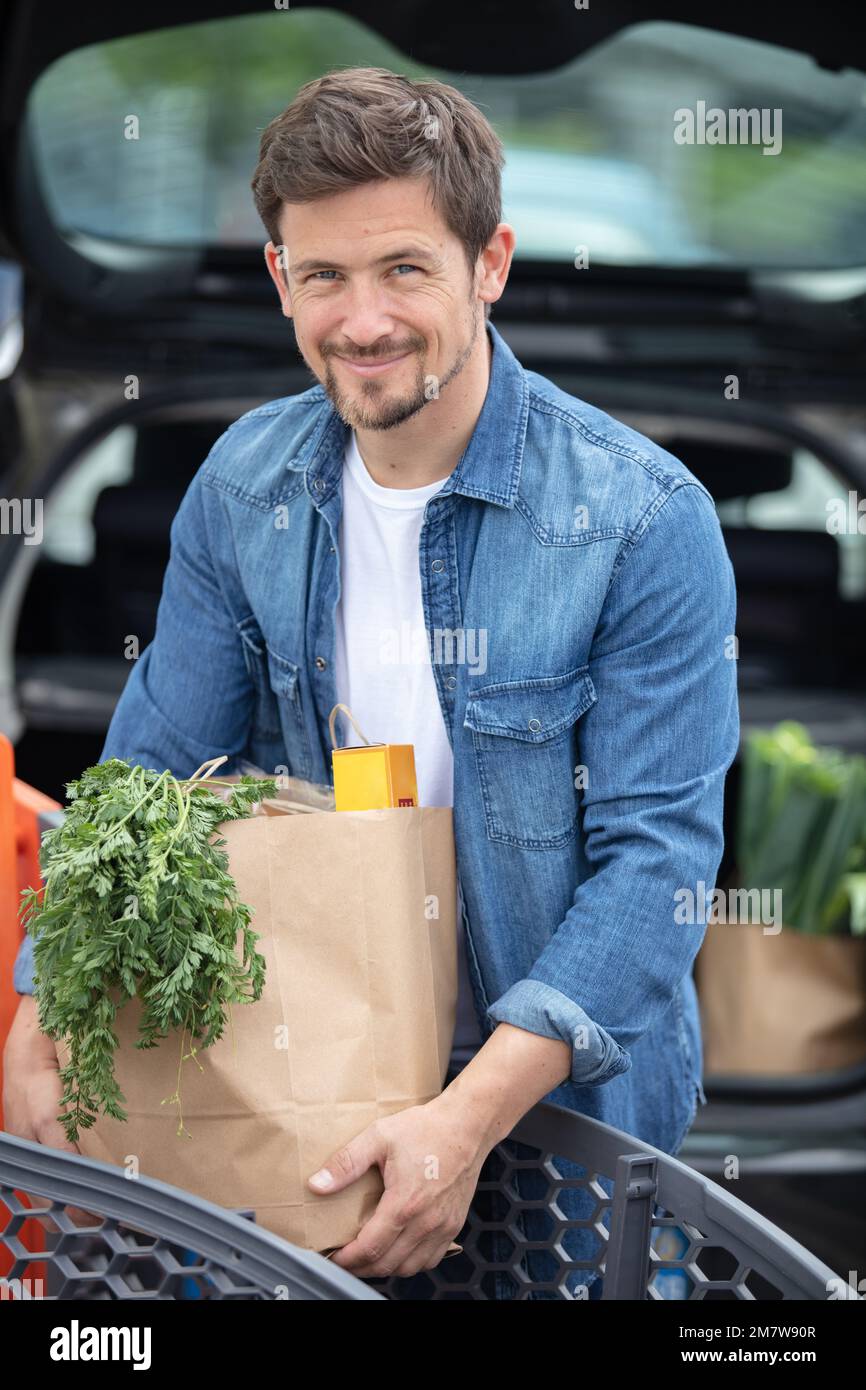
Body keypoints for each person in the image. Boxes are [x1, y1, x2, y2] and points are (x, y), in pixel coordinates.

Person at [4, 65, 738, 1298]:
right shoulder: (244, 485)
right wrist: (38, 1009)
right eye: (323, 275)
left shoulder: (639, 518)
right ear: (280, 275)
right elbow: (145, 775)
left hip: (560, 1115)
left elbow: (655, 868)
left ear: (487, 264)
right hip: (304, 1064)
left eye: (404, 268)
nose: (362, 320)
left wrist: (459, 1123)